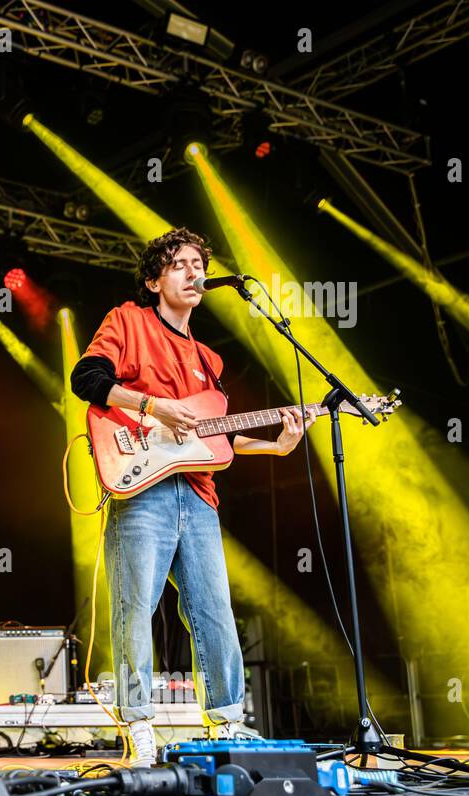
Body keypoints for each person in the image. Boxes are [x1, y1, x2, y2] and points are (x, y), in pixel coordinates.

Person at [70, 227, 314, 767]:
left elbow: (217, 435)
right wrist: (152, 407)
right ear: (155, 279)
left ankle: (227, 722)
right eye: (179, 264)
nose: (194, 272)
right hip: (142, 487)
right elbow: (85, 378)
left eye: (198, 264)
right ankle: (139, 727)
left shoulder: (210, 361)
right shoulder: (126, 321)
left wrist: (279, 445)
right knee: (136, 609)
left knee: (214, 611)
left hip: (199, 496)